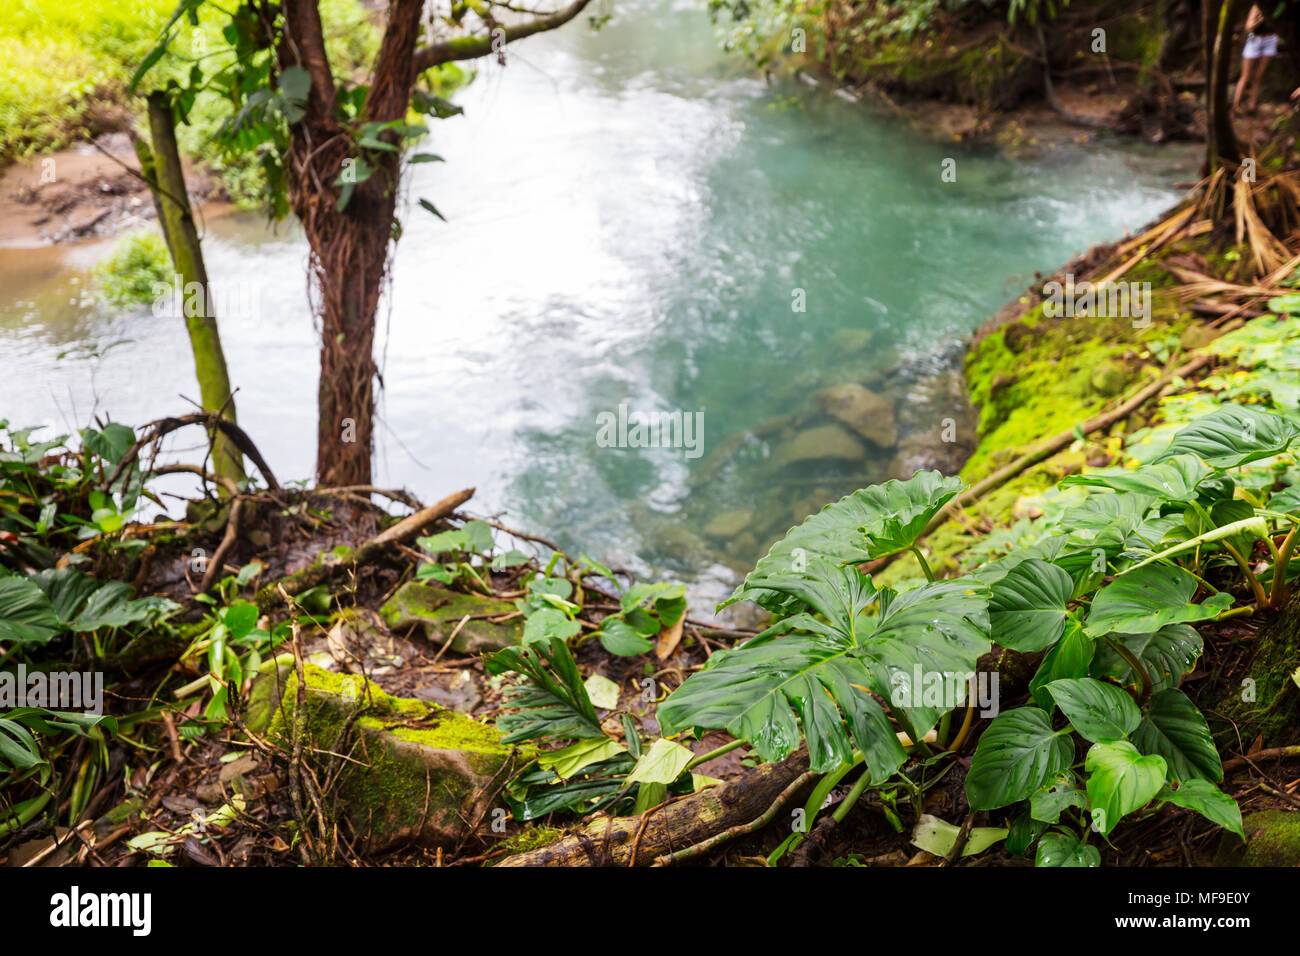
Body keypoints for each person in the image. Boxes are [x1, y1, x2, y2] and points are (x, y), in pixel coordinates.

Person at [1235, 5, 1278, 114]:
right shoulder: (1258, 6)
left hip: (1270, 39)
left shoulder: (1277, 6)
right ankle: (1235, 106)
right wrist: (1259, 19)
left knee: (1259, 76)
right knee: (1245, 76)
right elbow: (1248, 27)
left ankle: (1252, 106)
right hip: (1255, 40)